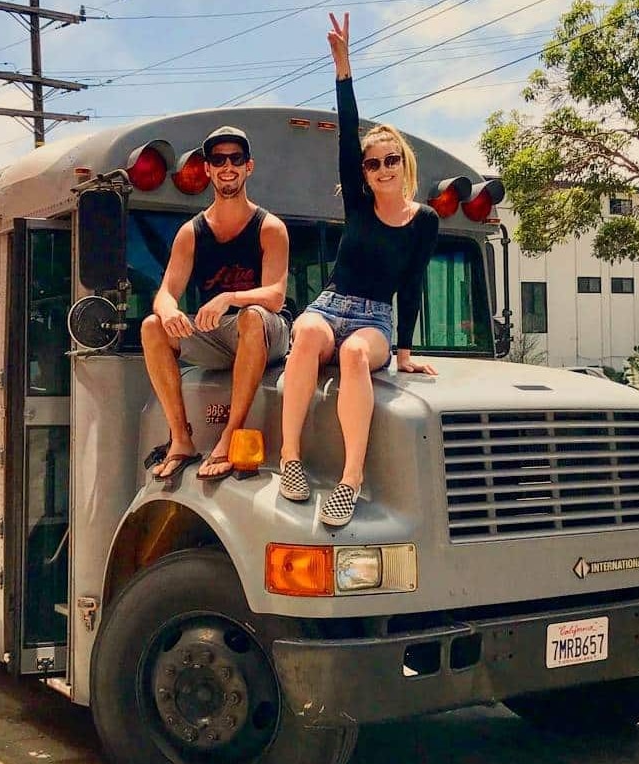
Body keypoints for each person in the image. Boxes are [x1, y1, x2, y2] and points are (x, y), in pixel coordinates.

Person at [278, 12, 439, 527]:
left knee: (353, 356)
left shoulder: (424, 220)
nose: (382, 168)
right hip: (331, 305)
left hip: (374, 320)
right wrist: (342, 69)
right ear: (363, 175)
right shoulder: (358, 206)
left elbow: (412, 283)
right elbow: (347, 134)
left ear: (404, 163)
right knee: (305, 334)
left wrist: (405, 353)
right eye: (373, 164)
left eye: (391, 160)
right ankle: (290, 458)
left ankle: (349, 480)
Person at [141, 126, 290, 484]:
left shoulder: (269, 227)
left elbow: (275, 296)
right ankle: (181, 439)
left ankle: (229, 437)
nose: (227, 167)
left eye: (236, 159)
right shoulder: (191, 233)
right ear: (208, 169)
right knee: (151, 326)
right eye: (218, 160)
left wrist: (229, 298)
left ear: (249, 167)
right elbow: (165, 292)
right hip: (218, 335)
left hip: (267, 331)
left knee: (252, 316)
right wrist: (169, 310)